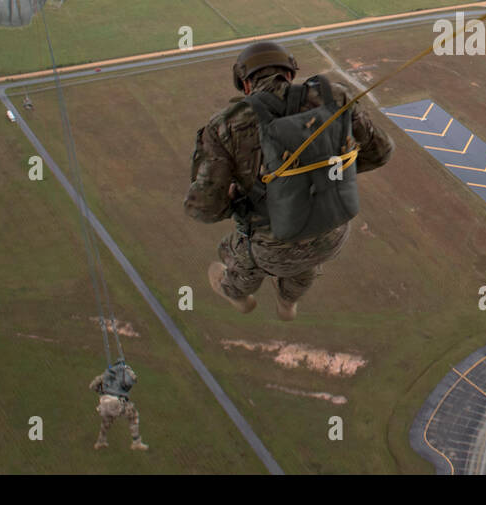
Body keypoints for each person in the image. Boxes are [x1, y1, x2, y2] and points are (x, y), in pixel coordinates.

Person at [185, 40, 393, 321]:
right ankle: (287, 302)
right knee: (305, 259)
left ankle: (237, 295)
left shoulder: (224, 126)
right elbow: (380, 153)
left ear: (245, 84)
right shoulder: (336, 97)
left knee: (234, 253)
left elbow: (203, 208)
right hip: (333, 230)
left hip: (271, 245)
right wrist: (326, 175)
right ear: (290, 73)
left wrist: (237, 201)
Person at [90, 359, 147, 451]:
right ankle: (136, 442)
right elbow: (131, 382)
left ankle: (101, 441)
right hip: (116, 401)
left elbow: (92, 386)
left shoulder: (106, 374)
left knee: (108, 418)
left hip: (104, 402)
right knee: (133, 415)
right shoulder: (125, 372)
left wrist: (102, 390)